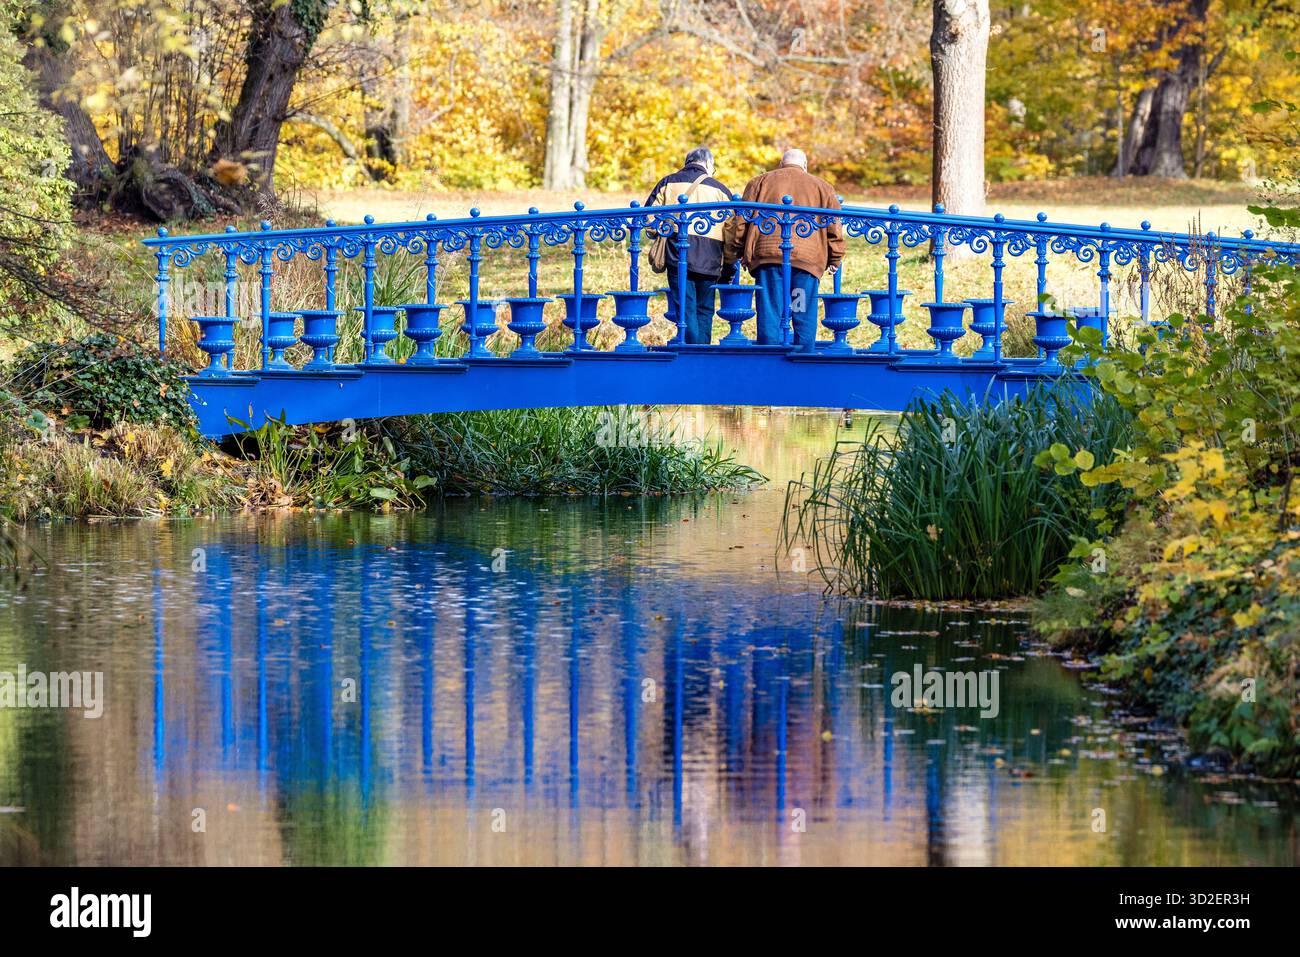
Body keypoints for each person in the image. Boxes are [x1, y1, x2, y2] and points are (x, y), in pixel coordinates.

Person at [723, 148, 845, 351]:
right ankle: (803, 356)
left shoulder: (759, 182)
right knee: (801, 307)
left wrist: (740, 251)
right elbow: (834, 227)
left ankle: (769, 356)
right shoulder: (823, 187)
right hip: (805, 261)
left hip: (768, 256)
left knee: (770, 307)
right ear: (804, 166)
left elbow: (741, 222)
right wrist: (835, 258)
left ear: (781, 164)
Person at [645, 147, 732, 345]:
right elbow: (733, 228)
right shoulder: (721, 190)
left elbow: (648, 220)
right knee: (705, 309)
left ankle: (691, 352)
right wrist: (729, 260)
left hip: (678, 253)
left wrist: (664, 228)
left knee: (685, 308)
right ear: (709, 165)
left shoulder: (667, 183)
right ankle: (702, 353)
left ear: (687, 162)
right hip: (711, 257)